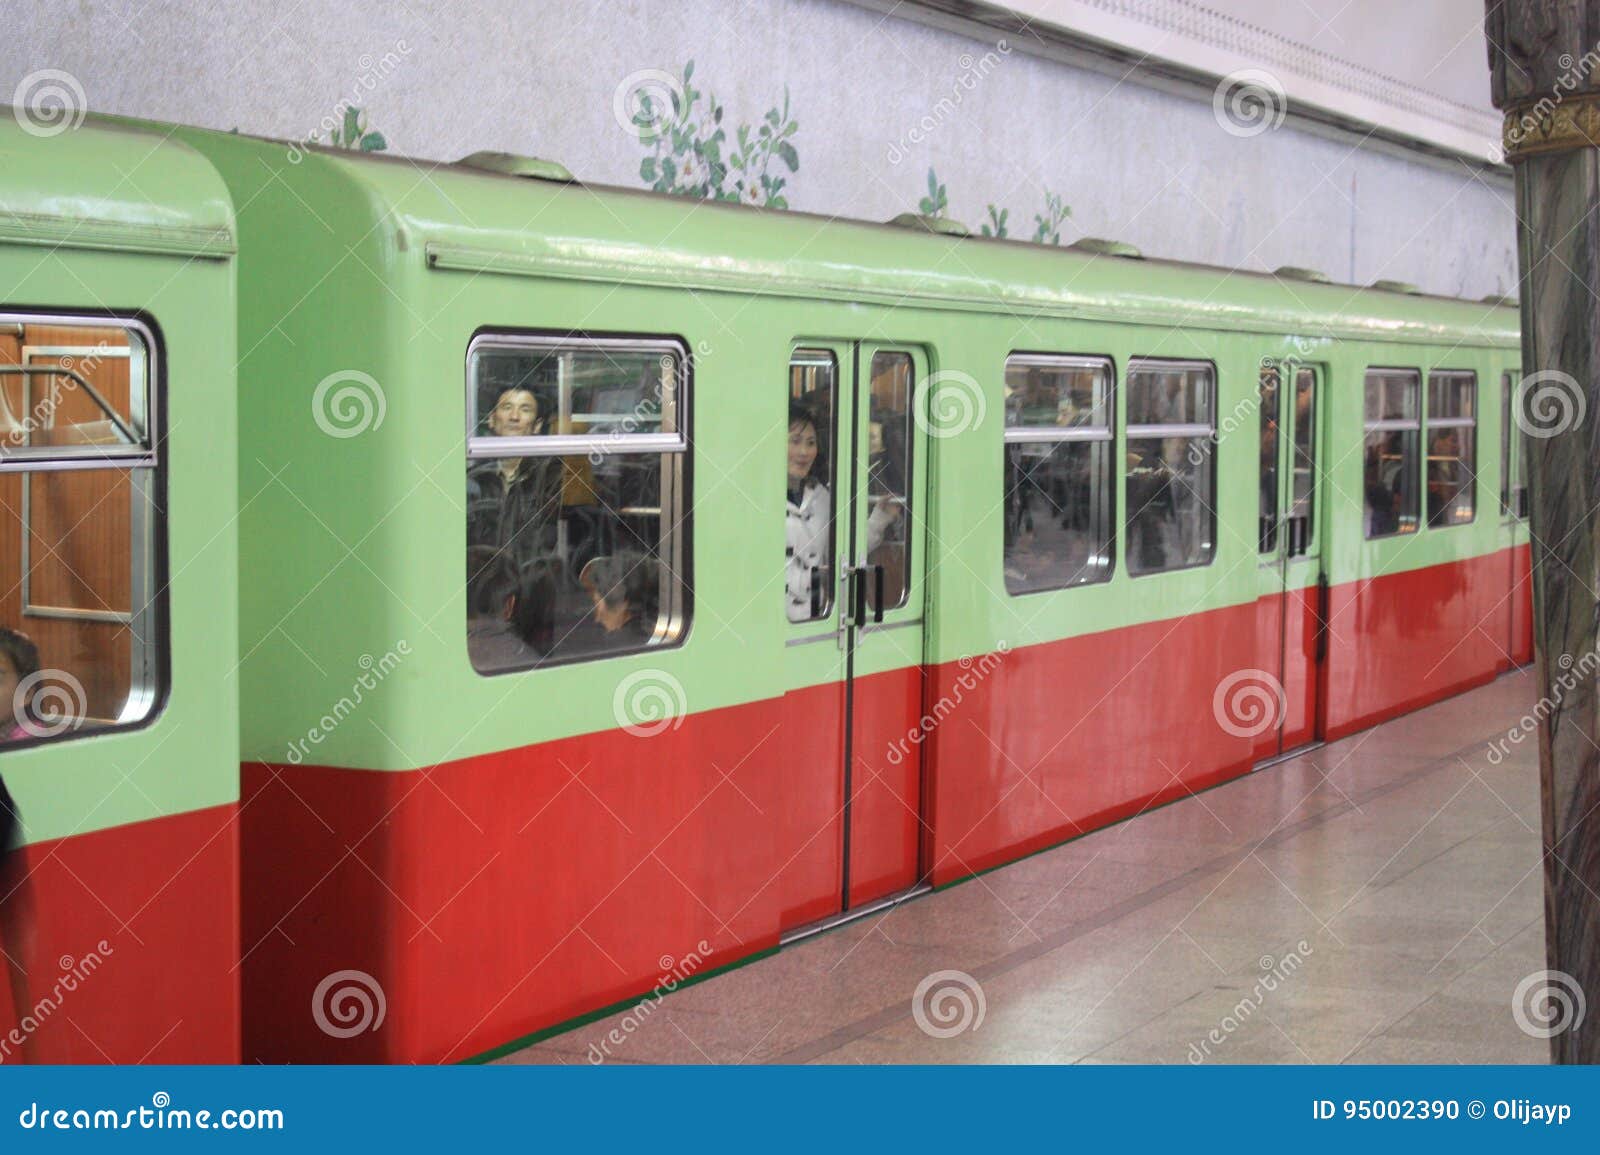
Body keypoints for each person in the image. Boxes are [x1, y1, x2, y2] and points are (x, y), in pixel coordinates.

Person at [787, 403, 899, 622]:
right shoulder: (759, 503)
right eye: (795, 441)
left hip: (817, 623)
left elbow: (841, 553)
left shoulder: (821, 497)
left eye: (811, 443)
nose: (804, 452)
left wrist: (879, 519)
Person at [467, 386, 564, 625]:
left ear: (537, 425)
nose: (514, 417)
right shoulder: (472, 479)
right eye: (507, 407)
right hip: (481, 600)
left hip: (534, 600)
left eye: (525, 409)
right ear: (492, 420)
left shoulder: (553, 477)